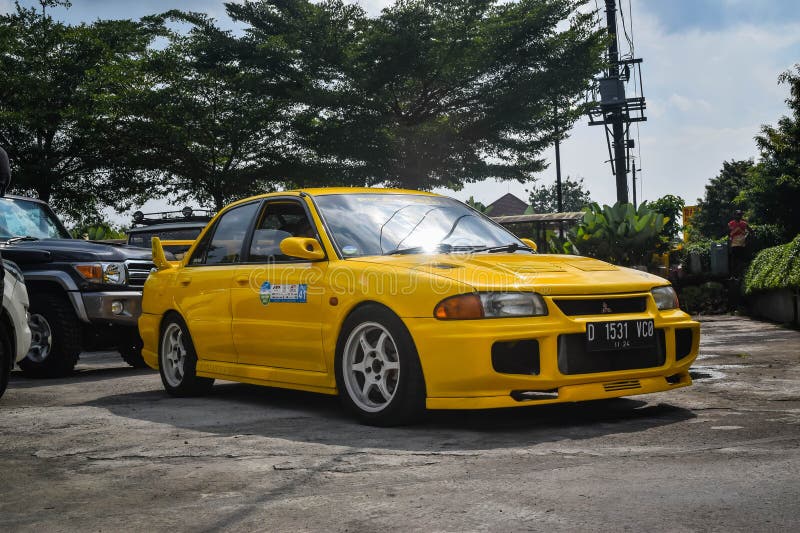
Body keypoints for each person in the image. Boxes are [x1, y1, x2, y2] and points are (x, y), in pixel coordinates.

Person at [728, 209, 749, 278]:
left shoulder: (744, 223)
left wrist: (745, 237)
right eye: (737, 214)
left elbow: (751, 231)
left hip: (742, 244)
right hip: (734, 244)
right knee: (733, 261)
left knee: (741, 260)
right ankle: (733, 276)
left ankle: (741, 275)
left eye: (740, 215)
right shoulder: (731, 223)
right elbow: (729, 234)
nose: (739, 216)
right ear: (734, 215)